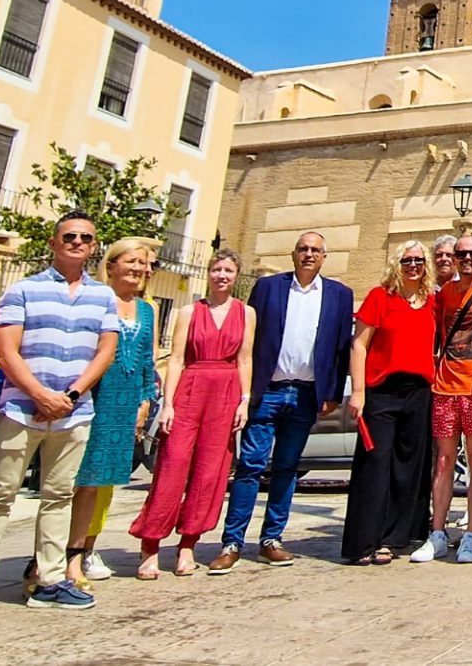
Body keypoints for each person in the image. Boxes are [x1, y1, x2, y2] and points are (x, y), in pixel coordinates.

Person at [0, 211, 119, 626]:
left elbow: (105, 351)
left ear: (93, 246)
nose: (77, 242)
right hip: (21, 410)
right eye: (69, 236)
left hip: (74, 413)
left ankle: (50, 580)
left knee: (59, 498)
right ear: (54, 242)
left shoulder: (102, 297)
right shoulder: (22, 290)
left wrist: (71, 395)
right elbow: (6, 352)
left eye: (85, 238)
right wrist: (41, 394)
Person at [209, 231, 353, 573]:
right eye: (303, 249)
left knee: (288, 468)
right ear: (293, 254)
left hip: (306, 394)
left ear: (324, 256)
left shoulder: (339, 295)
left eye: (315, 250)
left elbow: (340, 347)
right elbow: (249, 340)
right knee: (251, 467)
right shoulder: (269, 288)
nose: (308, 255)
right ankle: (232, 541)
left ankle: (271, 539)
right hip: (268, 390)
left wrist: (332, 393)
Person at [129, 250, 255, 576]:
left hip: (225, 392)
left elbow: (245, 359)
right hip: (191, 387)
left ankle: (188, 545)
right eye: (216, 269)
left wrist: (244, 400)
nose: (222, 276)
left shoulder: (247, 313)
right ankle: (150, 545)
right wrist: (168, 404)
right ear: (208, 273)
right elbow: (176, 359)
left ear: (236, 275)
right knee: (172, 465)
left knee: (210, 472)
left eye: (228, 270)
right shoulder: (189, 311)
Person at [412, 233, 472, 564]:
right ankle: (438, 531)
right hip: (445, 387)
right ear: (453, 257)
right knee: (442, 461)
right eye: (461, 254)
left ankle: (471, 532)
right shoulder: (443, 296)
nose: (467, 259)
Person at [66, 240, 160, 586]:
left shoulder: (147, 310)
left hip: (127, 402)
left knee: (104, 480)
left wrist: (146, 401)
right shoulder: (95, 299)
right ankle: (62, 550)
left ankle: (87, 548)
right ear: (112, 264)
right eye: (132, 261)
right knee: (79, 478)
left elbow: (148, 360)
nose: (139, 269)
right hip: (94, 398)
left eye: (143, 263)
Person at [340, 240, 436, 565]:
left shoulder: (431, 301)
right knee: (375, 464)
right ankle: (363, 541)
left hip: (419, 391)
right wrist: (358, 391)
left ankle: (394, 539)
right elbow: (359, 345)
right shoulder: (380, 297)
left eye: (419, 260)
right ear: (397, 263)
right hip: (382, 389)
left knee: (408, 467)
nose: (413, 266)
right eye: (408, 260)